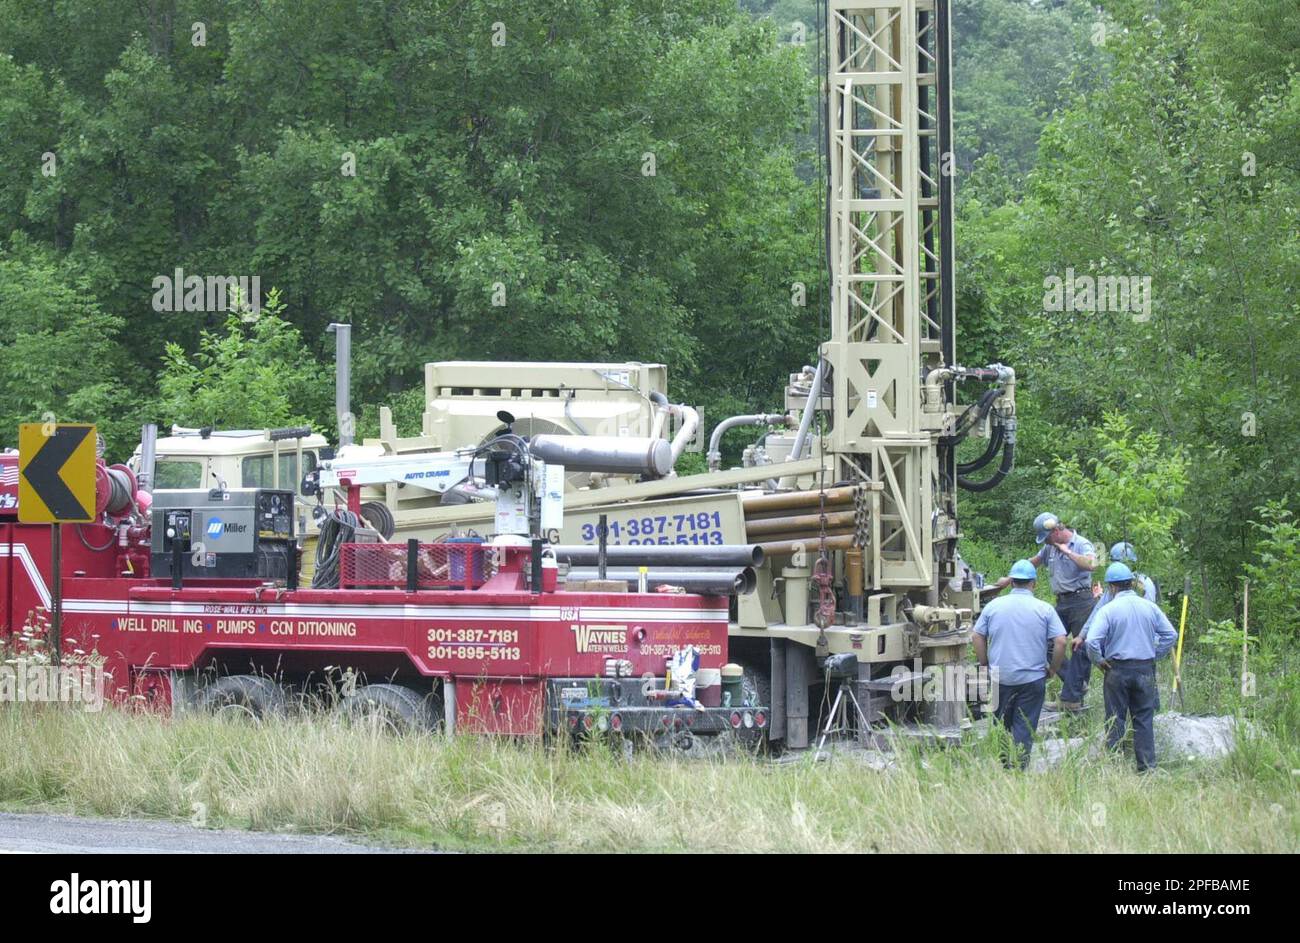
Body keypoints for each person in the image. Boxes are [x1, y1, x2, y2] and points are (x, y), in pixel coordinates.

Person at [995, 512, 1096, 711]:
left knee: (1080, 648)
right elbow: (1032, 562)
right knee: (1049, 642)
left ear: (1057, 531)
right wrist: (1009, 579)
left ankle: (1072, 699)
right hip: (1062, 602)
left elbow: (1091, 564)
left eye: (1048, 537)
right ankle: (1075, 684)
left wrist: (1067, 551)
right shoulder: (1048, 547)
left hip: (1082, 601)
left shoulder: (1082, 544)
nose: (1047, 542)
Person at [973, 559, 1068, 769]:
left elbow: (977, 635)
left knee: (1000, 725)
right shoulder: (1044, 609)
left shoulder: (993, 606)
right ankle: (1019, 770)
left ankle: (1004, 766)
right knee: (1024, 726)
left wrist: (984, 663)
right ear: (1033, 583)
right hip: (1032, 678)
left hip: (1000, 677)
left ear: (1011, 582)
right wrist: (1053, 668)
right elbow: (1061, 641)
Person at [1085, 562, 1179, 772]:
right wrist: (1155, 654)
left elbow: (1091, 642)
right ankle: (1147, 767)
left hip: (1116, 670)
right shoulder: (1150, 607)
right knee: (1144, 718)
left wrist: (1099, 661)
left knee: (1114, 719)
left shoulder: (1108, 610)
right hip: (1145, 669)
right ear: (1131, 584)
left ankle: (1114, 766)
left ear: (1111, 587)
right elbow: (1171, 635)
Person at [1069, 541, 1161, 705]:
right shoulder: (1130, 584)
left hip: (1132, 648)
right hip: (1140, 650)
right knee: (1143, 701)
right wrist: (1082, 635)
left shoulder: (1140, 584)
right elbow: (1099, 609)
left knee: (1133, 700)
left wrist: (1087, 641)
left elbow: (1100, 612)